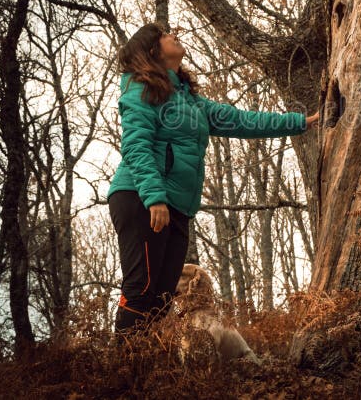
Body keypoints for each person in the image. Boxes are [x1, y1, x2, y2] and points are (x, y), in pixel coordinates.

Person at [106, 23, 319, 335]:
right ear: (152, 50)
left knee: (163, 297)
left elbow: (242, 120)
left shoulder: (190, 102)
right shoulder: (140, 88)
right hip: (141, 197)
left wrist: (301, 122)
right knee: (142, 288)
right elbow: (136, 145)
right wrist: (154, 198)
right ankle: (122, 371)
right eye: (164, 34)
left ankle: (148, 371)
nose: (173, 34)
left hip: (176, 204)